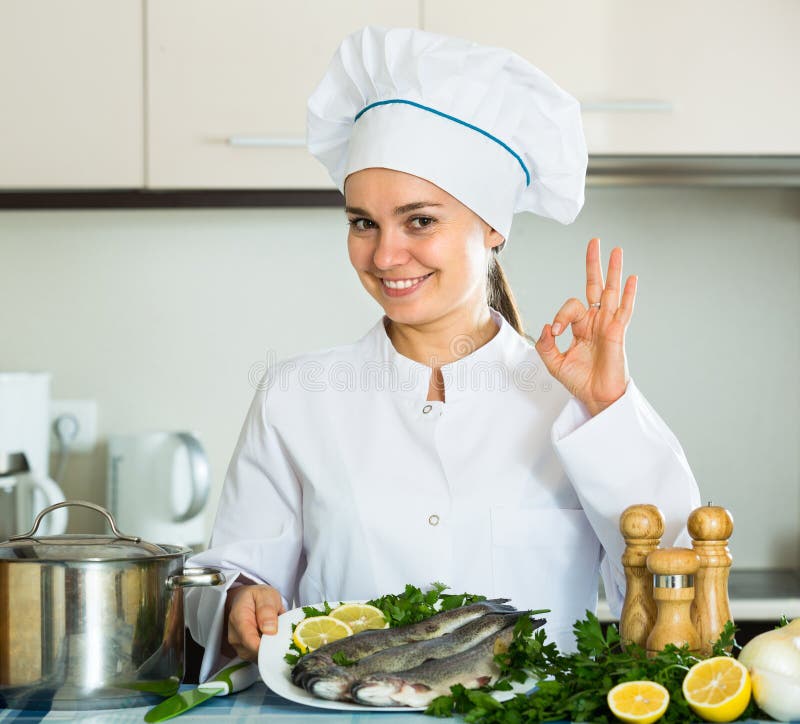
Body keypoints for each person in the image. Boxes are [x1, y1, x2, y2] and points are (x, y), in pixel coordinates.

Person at [185, 26, 701, 680]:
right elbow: (233, 578)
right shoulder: (295, 396)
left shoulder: (573, 401)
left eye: (419, 220)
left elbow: (680, 589)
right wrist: (236, 600)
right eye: (362, 222)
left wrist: (609, 410)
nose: (383, 254)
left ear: (492, 227)